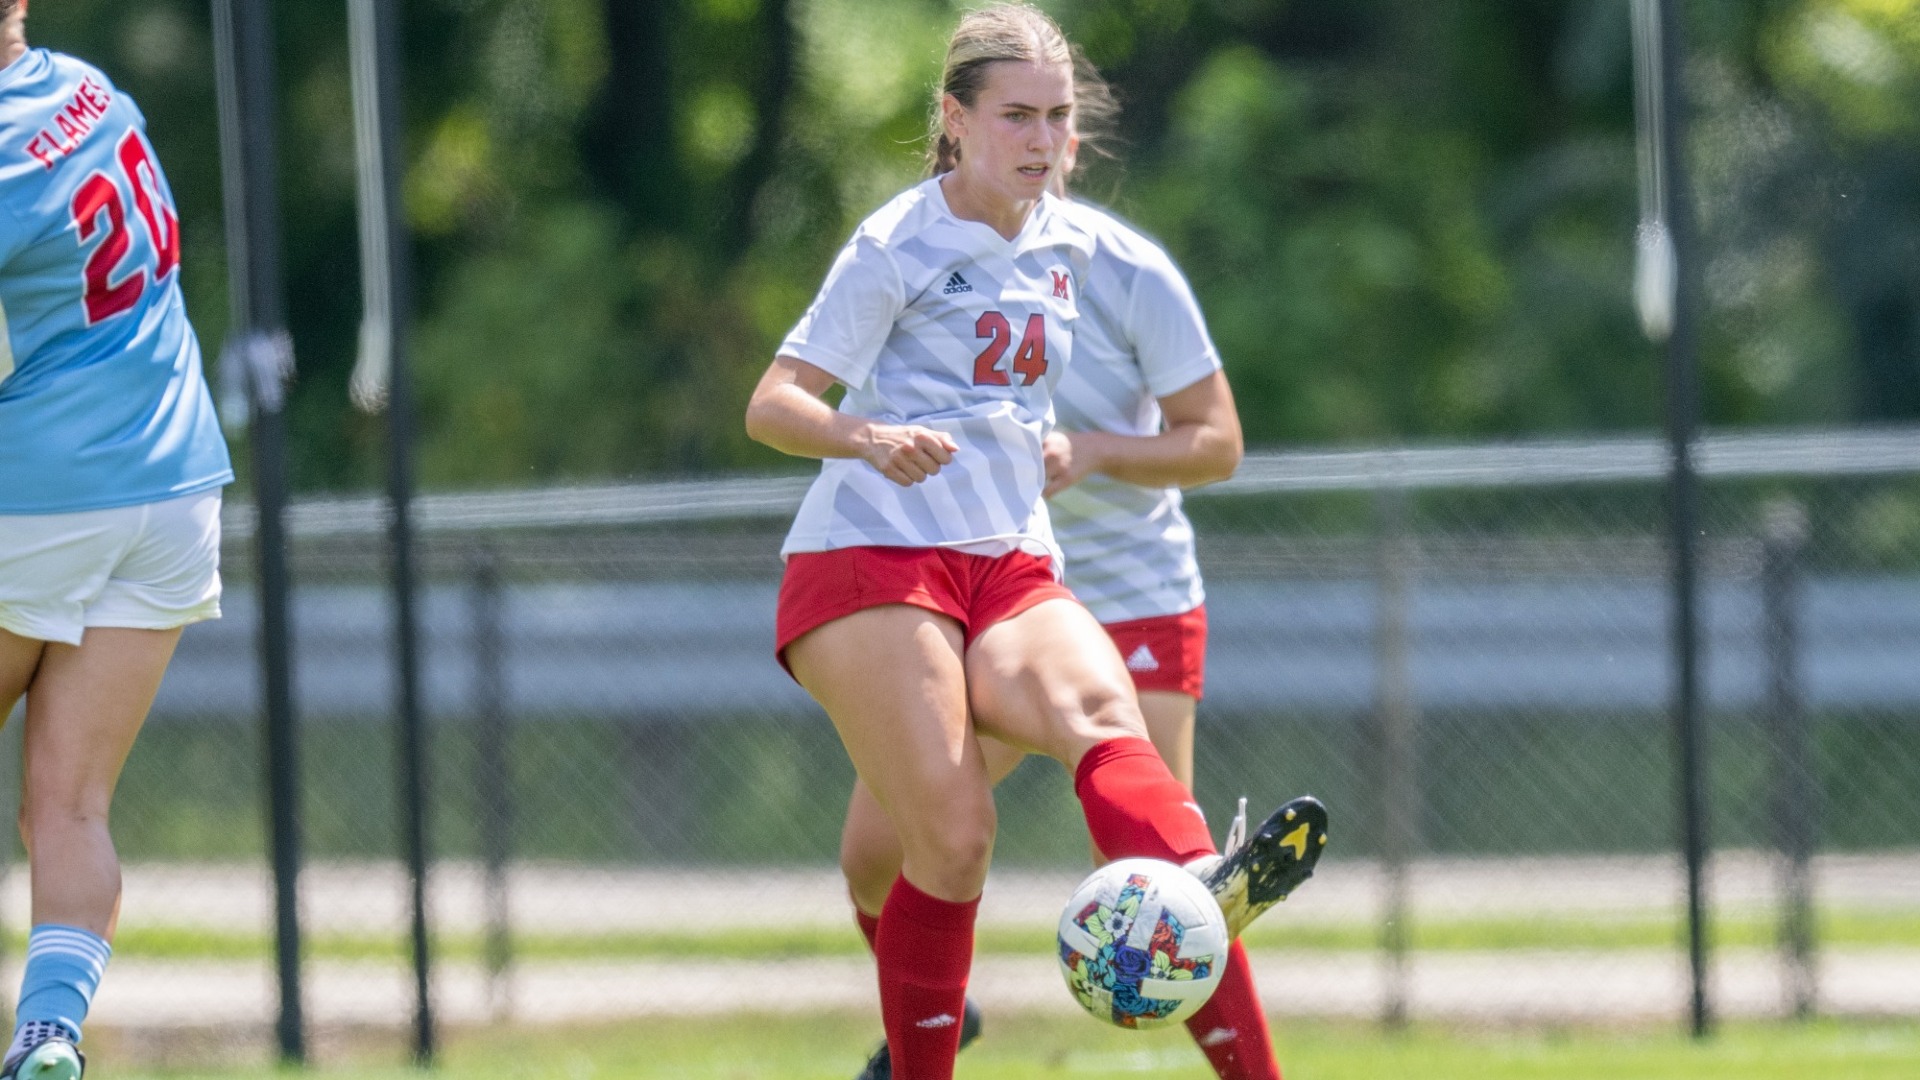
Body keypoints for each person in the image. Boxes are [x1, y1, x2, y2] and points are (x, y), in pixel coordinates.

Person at [743, 6, 1325, 1077]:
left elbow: (1210, 437)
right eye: (1016, 115)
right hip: (875, 557)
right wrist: (863, 434)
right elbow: (774, 405)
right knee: (951, 843)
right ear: (954, 120)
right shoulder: (896, 242)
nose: (1042, 138)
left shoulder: (1072, 247)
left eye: (1056, 118)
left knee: (1100, 715)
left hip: (1007, 559)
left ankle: (1197, 877)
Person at [0, 3, 234, 1077]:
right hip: (177, 486)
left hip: (44, 495)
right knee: (70, 804)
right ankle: (49, 1034)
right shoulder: (92, 91)